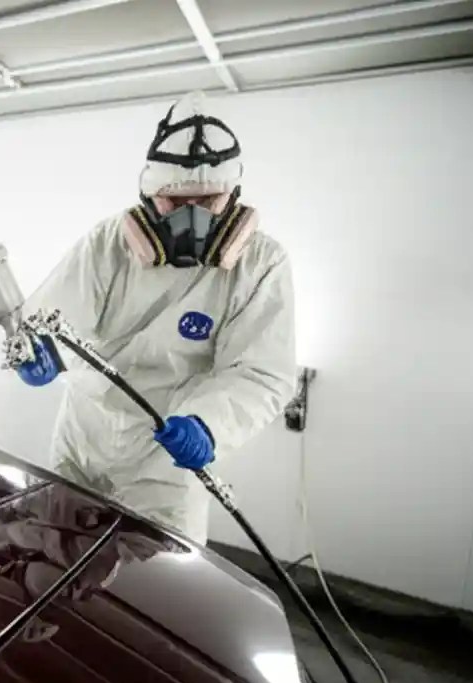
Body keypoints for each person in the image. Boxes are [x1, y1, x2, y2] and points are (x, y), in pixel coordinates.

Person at [16, 91, 296, 544]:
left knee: (161, 591)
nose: (191, 218)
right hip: (84, 437)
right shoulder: (109, 242)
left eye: (207, 201)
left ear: (234, 195)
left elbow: (263, 372)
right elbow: (51, 317)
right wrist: (39, 351)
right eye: (174, 202)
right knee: (58, 557)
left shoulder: (260, 263)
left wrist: (209, 424)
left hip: (167, 456)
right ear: (147, 195)